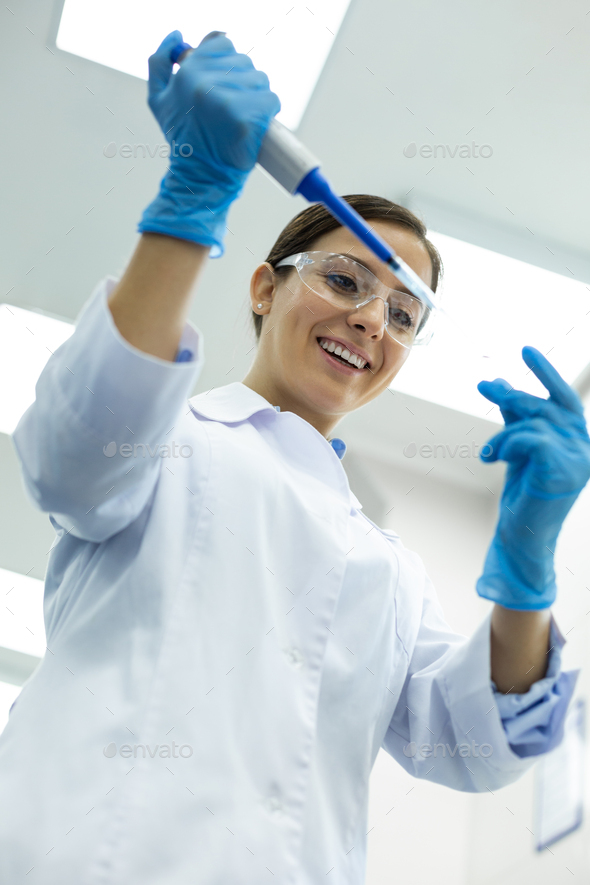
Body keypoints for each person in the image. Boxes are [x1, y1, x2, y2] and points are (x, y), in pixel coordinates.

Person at [1, 29, 589, 885]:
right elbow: (74, 457)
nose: (370, 321)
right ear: (264, 286)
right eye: (346, 281)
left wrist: (530, 561)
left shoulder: (385, 568)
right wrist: (193, 196)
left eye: (403, 314)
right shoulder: (170, 441)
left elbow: (470, 745)